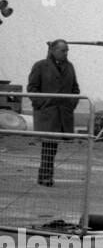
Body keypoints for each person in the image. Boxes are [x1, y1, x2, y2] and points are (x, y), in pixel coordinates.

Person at [27, 39, 79, 185]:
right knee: (48, 145)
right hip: (47, 114)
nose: (66, 53)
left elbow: (75, 88)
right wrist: (42, 104)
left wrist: (71, 104)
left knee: (52, 146)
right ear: (53, 50)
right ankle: (45, 176)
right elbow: (32, 88)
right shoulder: (40, 66)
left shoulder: (70, 67)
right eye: (63, 50)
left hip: (63, 113)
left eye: (67, 50)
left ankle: (45, 175)